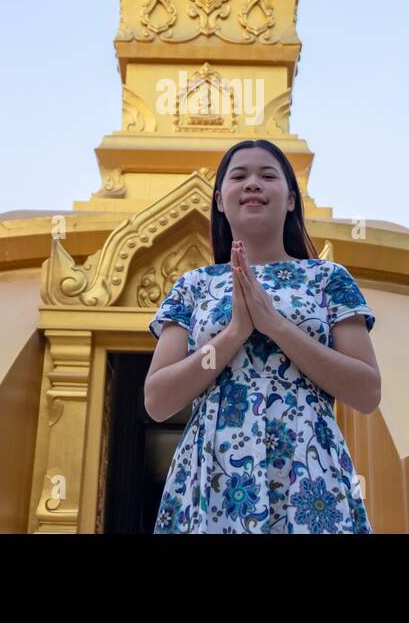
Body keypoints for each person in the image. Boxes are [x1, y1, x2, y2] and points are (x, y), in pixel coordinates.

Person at [144, 138, 381, 532]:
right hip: (215, 471)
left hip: (308, 467)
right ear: (220, 200)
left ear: (290, 199)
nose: (252, 183)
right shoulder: (194, 286)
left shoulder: (327, 279)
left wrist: (277, 326)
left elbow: (366, 391)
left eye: (267, 175)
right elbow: (158, 399)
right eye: (239, 176)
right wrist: (235, 332)